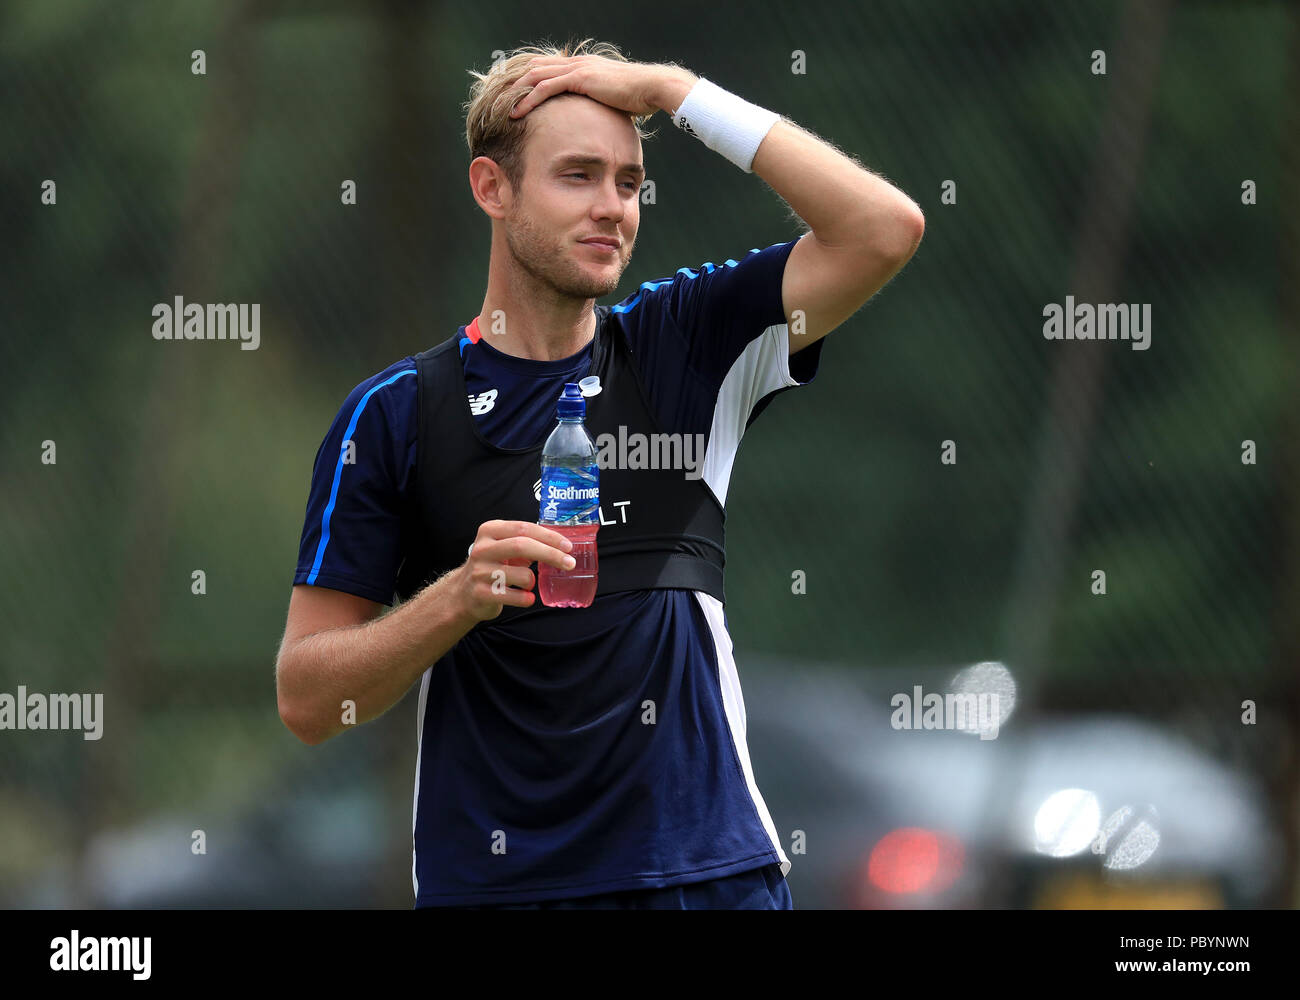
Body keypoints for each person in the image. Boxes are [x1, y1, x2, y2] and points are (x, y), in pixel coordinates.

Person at [275, 37, 924, 909]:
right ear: (492, 188)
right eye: (578, 176)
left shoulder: (683, 342)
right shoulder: (393, 414)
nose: (612, 208)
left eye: (628, 182)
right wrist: (454, 599)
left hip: (709, 881)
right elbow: (309, 701)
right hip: (500, 892)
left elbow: (884, 229)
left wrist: (676, 90)